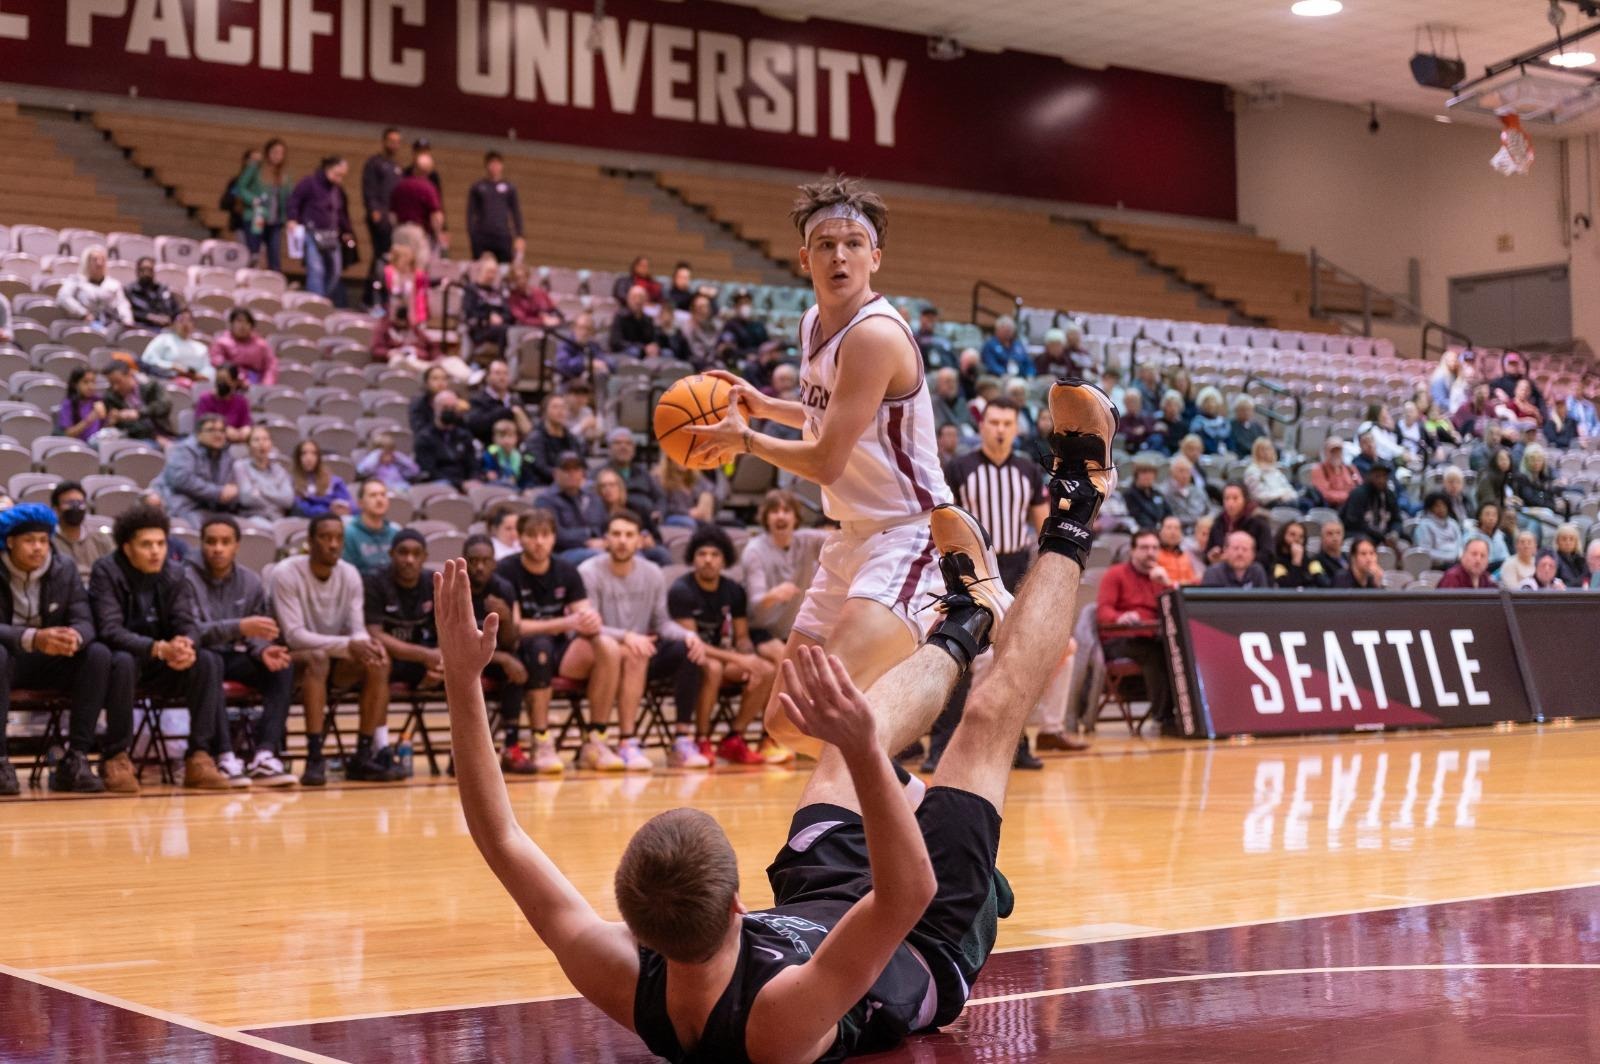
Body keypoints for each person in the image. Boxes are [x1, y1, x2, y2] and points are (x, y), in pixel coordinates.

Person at [431, 378, 1110, 1060]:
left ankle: (966, 620)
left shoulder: (618, 972)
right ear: (735, 909)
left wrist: (464, 682)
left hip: (817, 894)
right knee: (991, 712)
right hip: (918, 936)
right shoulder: (775, 1021)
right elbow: (908, 893)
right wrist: (863, 749)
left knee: (853, 739)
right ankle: (1079, 500)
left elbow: (502, 840)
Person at [687, 176, 962, 759]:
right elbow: (831, 417)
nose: (840, 255)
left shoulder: (874, 336)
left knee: (830, 711)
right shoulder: (814, 323)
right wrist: (766, 407)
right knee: (788, 723)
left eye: (854, 243)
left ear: (875, 258)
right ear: (805, 257)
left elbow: (826, 460)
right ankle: (906, 810)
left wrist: (747, 440)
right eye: (827, 244)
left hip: (910, 535)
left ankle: (897, 826)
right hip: (851, 541)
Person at [90, 504, 231, 791]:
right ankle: (115, 756)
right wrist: (158, 648)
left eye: (160, 544)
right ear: (127, 548)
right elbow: (109, 630)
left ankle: (199, 756)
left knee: (208, 660)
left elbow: (187, 622)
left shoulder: (174, 573)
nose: (156, 551)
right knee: (122, 661)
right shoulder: (106, 570)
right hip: (124, 663)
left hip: (163, 661)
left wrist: (185, 645)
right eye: (146, 545)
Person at [0, 504, 128, 796]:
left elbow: (85, 620)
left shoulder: (64, 568)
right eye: (29, 541)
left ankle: (76, 758)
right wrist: (32, 637)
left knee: (97, 654)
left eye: (44, 541)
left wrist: (76, 637)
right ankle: (0, 760)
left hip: (51, 659)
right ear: (10, 542)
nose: (38, 548)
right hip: (10, 660)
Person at [266, 514, 399, 786]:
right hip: (292, 661)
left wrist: (367, 645)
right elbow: (293, 636)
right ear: (310, 542)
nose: (333, 544)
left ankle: (363, 755)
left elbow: (357, 628)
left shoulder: (350, 574)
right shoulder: (285, 573)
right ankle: (315, 757)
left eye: (338, 537)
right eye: (326, 537)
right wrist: (349, 645)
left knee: (378, 661)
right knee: (317, 659)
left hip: (335, 657)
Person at [576, 510, 707, 770]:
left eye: (629, 535)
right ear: (606, 539)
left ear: (640, 540)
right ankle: (626, 741)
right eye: (616, 534)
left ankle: (681, 740)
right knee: (634, 651)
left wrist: (689, 634)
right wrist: (627, 637)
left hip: (640, 648)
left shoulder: (653, 573)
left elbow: (661, 623)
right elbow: (589, 625)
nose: (622, 540)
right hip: (597, 648)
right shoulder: (588, 571)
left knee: (687, 650)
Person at [494, 509, 621, 774]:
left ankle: (597, 740)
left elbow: (582, 612)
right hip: (523, 649)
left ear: (553, 538)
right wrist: (564, 623)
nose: (539, 542)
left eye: (545, 535)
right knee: (539, 647)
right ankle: (541, 740)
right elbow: (516, 628)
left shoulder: (566, 570)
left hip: (563, 651)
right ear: (520, 538)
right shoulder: (507, 569)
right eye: (532, 535)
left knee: (607, 646)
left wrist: (590, 621)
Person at [184, 516, 296, 786]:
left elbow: (258, 632)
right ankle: (225, 756)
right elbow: (194, 631)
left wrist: (262, 652)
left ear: (237, 546)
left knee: (282, 666)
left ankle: (266, 754)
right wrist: (240, 627)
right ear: (201, 545)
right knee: (212, 664)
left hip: (234, 654)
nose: (218, 548)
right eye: (211, 542)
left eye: (225, 542)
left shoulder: (251, 581)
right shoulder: (185, 577)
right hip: (197, 658)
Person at [667, 525, 780, 767]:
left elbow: (741, 637)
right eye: (702, 554)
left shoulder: (733, 590)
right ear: (693, 558)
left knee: (766, 670)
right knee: (714, 667)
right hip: (692, 656)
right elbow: (692, 641)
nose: (708, 560)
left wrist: (748, 657)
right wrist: (741, 660)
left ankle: (734, 738)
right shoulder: (681, 590)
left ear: (724, 559)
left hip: (724, 655)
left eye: (714, 555)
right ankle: (701, 739)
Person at [457, 534, 536, 773]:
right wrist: (503, 658)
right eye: (473, 560)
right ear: (464, 561)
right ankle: (464, 754)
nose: (479, 567)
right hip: (458, 658)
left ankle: (511, 746)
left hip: (491, 656)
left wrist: (507, 618)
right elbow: (455, 642)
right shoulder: (456, 589)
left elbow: (510, 643)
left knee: (516, 669)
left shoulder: (503, 588)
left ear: (494, 563)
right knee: (499, 665)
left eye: (485, 560)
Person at [1096, 528, 1174, 729]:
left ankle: (1181, 714)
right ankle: (1162, 718)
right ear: (1132, 551)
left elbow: (1176, 609)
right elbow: (1102, 611)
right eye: (1144, 547)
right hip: (1120, 639)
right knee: (1155, 652)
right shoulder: (1115, 574)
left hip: (1152, 635)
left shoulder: (1160, 576)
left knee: (1175, 650)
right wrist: (1121, 617)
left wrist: (1167, 584)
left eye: (1155, 548)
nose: (1150, 552)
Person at [365, 530, 445, 697]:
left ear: (425, 557)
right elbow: (374, 634)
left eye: (416, 554)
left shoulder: (434, 582)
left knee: (456, 666)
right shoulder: (374, 582)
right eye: (403, 552)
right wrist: (426, 655)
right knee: (376, 660)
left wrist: (442, 661)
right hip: (388, 657)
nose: (410, 560)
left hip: (420, 658)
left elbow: (446, 630)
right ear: (391, 554)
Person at [286, 154, 354, 306]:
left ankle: (323, 298)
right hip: (312, 232)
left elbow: (341, 212)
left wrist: (346, 231)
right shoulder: (309, 183)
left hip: (332, 235)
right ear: (329, 169)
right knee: (316, 269)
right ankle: (316, 302)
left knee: (335, 270)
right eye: (338, 174)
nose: (339, 179)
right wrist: (292, 219)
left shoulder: (336, 190)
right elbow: (294, 200)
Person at [156, 415, 240, 528]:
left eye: (222, 430)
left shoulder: (226, 455)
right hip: (185, 505)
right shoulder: (184, 450)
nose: (218, 434)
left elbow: (230, 486)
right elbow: (181, 480)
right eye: (211, 430)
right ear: (198, 434)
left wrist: (230, 494)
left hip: (214, 508)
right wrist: (218, 493)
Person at [537, 453, 610, 565]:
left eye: (576, 469)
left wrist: (607, 541)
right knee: (600, 557)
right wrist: (587, 539)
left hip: (599, 547)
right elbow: (555, 535)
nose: (572, 473)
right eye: (566, 469)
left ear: (582, 473)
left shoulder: (593, 497)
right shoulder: (545, 500)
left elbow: (607, 526)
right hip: (562, 554)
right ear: (555, 473)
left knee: (634, 554)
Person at [360, 127, 405, 308]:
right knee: (380, 257)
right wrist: (374, 211)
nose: (394, 145)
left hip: (393, 219)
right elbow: (369, 189)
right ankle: (370, 298)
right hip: (379, 218)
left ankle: (381, 297)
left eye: (397, 142)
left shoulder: (397, 168)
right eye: (391, 141)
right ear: (384, 141)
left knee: (388, 259)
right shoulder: (374, 163)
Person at [237, 138, 292, 271]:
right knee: (254, 252)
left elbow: (288, 197)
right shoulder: (256, 168)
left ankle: (274, 284)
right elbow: (241, 187)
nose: (277, 156)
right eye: (275, 152)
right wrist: (253, 199)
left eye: (281, 153)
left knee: (274, 255)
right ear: (268, 153)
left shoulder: (284, 175)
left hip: (276, 220)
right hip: (258, 215)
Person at [416, 389, 481, 490]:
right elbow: (430, 471)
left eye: (453, 408)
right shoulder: (424, 438)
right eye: (445, 407)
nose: (449, 411)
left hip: (466, 483)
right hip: (440, 484)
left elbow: (473, 464)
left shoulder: (464, 435)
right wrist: (459, 484)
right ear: (435, 407)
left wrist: (474, 479)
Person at [466, 152, 525, 263]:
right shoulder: (478, 187)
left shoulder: (509, 188)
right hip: (482, 236)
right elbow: (470, 213)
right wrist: (472, 234)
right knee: (481, 268)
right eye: (491, 163)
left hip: (502, 237)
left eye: (497, 163)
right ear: (487, 165)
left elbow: (516, 212)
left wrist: (520, 235)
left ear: (502, 165)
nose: (494, 166)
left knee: (504, 269)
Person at [48, 481, 112, 583]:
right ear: (56, 510)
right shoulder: (48, 541)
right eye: (70, 503)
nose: (76, 507)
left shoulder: (101, 539)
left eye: (80, 503)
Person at [57, 246, 133, 330]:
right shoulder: (75, 280)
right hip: (82, 324)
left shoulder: (114, 284)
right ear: (87, 262)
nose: (99, 263)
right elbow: (63, 297)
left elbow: (122, 304)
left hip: (110, 325)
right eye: (95, 260)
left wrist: (127, 320)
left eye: (102, 260)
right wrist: (82, 313)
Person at [235, 424, 295, 526]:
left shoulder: (279, 470)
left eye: (265, 439)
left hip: (278, 518)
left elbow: (288, 500)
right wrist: (276, 494)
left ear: (271, 444)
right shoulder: (240, 466)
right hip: (253, 518)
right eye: (256, 440)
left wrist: (260, 491)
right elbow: (247, 498)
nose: (261, 444)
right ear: (248, 445)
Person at [1205, 482, 1274, 566]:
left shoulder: (1259, 523)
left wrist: (1237, 558)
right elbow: (1207, 554)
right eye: (1227, 498)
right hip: (1222, 572)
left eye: (1235, 498)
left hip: (1252, 573)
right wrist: (1212, 556)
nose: (1230, 503)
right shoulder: (1218, 523)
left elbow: (1268, 556)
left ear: (1245, 500)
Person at [342, 477, 399, 577]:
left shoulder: (395, 532)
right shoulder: (349, 533)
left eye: (383, 495)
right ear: (360, 503)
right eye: (373, 495)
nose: (379, 499)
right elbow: (348, 573)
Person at [141, 308, 214, 384]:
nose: (185, 324)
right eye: (181, 320)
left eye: (189, 320)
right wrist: (171, 366)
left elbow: (209, 369)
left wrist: (201, 375)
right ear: (173, 323)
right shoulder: (163, 339)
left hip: (194, 383)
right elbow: (148, 359)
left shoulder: (201, 348)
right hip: (167, 380)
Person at [521, 393, 581, 488]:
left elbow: (581, 463)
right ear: (544, 412)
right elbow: (540, 468)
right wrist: (566, 477)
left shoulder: (571, 438)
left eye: (563, 407)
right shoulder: (535, 438)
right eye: (555, 407)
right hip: (541, 485)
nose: (560, 411)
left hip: (569, 484)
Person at [389, 150, 446, 249]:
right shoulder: (428, 187)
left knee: (399, 263)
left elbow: (392, 215)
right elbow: (436, 216)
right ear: (428, 170)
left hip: (399, 231)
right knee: (419, 264)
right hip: (418, 232)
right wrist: (438, 233)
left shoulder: (400, 185)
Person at [466, 358, 531, 444]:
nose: (502, 377)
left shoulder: (515, 399)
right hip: (487, 447)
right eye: (497, 373)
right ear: (488, 377)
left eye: (505, 373)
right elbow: (476, 425)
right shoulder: (478, 399)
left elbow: (528, 428)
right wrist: (509, 411)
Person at [1340, 461, 1403, 548]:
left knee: (1404, 542)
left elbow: (1397, 520)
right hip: (1359, 533)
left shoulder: (1389, 495)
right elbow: (1354, 523)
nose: (1381, 480)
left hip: (1384, 535)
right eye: (1377, 476)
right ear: (1369, 476)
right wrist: (1381, 537)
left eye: (1384, 476)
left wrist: (1394, 533)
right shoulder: (1358, 494)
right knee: (1365, 542)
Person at [209, 307, 277, 386]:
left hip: (257, 383)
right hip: (230, 384)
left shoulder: (261, 345)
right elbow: (219, 363)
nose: (242, 326)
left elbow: (271, 366)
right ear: (231, 324)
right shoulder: (221, 343)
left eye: (247, 322)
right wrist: (238, 380)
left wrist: (266, 384)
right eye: (239, 321)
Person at [462, 255, 512, 356]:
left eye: (494, 272)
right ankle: (500, 362)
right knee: (504, 331)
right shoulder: (471, 290)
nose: (492, 275)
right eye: (489, 271)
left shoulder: (498, 292)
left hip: (499, 327)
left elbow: (508, 312)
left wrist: (501, 318)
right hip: (480, 329)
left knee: (513, 331)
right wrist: (488, 317)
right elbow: (469, 312)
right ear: (480, 270)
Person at [290, 439, 353, 519]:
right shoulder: (291, 481)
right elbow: (299, 507)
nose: (309, 458)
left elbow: (347, 503)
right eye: (304, 454)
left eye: (314, 454)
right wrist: (327, 510)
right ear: (298, 458)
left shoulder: (333, 481)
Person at [193, 364, 250, 442]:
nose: (220, 383)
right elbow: (201, 425)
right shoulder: (205, 399)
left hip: (235, 443)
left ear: (234, 382)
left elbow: (246, 424)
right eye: (218, 380)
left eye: (224, 380)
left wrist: (244, 432)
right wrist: (224, 430)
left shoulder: (241, 401)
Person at [355, 430, 420, 494]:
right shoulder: (373, 466)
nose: (389, 456)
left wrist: (398, 456)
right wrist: (376, 455)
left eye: (391, 453)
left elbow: (414, 470)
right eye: (386, 453)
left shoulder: (396, 465)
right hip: (383, 492)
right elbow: (362, 470)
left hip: (402, 490)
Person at [1201, 530, 1271, 588]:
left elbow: (1263, 602)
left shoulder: (1257, 571)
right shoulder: (1214, 573)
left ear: (1253, 554)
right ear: (1225, 550)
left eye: (1245, 549)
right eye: (1235, 548)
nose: (1240, 553)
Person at [554, 310, 610, 383]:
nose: (584, 332)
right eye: (581, 328)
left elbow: (605, 361)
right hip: (569, 384)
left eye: (588, 329)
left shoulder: (593, 345)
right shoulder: (565, 344)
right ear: (574, 328)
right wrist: (587, 363)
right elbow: (563, 366)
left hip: (590, 384)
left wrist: (602, 364)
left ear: (592, 332)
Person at [126, 256, 181, 328]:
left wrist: (168, 318)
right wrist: (148, 317)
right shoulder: (130, 291)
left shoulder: (162, 290)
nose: (146, 273)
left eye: (150, 270)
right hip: (142, 328)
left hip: (164, 328)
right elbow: (127, 313)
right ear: (137, 272)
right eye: (143, 270)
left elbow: (175, 310)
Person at [1413, 491, 1464, 569]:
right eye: (1437, 506)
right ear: (1430, 508)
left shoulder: (1453, 523)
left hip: (1456, 560)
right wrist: (1450, 557)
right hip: (1437, 565)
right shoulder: (1424, 526)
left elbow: (1460, 544)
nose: (1441, 509)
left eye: (1444, 505)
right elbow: (1426, 552)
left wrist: (1459, 556)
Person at [1120, 455, 1172, 531]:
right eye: (1144, 472)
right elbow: (1139, 518)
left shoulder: (1157, 494)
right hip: (1143, 532)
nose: (1148, 476)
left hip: (1163, 531)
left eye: (1151, 473)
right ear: (1136, 475)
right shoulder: (1129, 495)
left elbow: (1168, 514)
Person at [607, 284, 660, 360]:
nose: (637, 301)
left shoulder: (648, 319)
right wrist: (642, 348)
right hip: (626, 352)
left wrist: (654, 346)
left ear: (645, 300)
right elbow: (615, 342)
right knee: (634, 351)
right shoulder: (620, 317)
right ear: (628, 299)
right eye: (634, 297)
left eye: (641, 298)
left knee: (667, 353)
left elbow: (653, 339)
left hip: (646, 352)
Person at [1243, 437, 1297, 510]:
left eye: (1269, 448)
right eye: (1263, 449)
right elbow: (1259, 496)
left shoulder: (1275, 470)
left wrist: (1292, 495)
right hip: (1268, 504)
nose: (1267, 452)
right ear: (1257, 452)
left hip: (1284, 500)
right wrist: (1280, 495)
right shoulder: (1252, 471)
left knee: (1304, 502)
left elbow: (1287, 486)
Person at [1271, 521, 1329, 589]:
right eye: (1292, 535)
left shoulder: (1312, 562)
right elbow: (1288, 589)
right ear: (1282, 536)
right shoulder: (1277, 564)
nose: (1297, 539)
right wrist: (1296, 562)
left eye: (1301, 536)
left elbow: (1325, 585)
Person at [56, 367, 105, 443]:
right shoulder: (68, 404)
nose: (90, 386)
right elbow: (68, 434)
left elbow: (102, 430)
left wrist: (112, 419)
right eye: (85, 382)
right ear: (75, 384)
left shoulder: (98, 401)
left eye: (93, 382)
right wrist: (89, 420)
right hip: (78, 446)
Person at [718, 289, 770, 361]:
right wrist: (745, 355)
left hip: (760, 360)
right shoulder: (730, 326)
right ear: (735, 307)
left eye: (747, 302)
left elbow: (767, 345)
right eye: (741, 303)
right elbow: (727, 349)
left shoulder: (759, 325)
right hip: (740, 361)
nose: (744, 306)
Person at [1161, 454, 1209, 528]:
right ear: (1172, 473)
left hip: (1201, 528)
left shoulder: (1198, 490)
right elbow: (1169, 517)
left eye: (1187, 471)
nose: (1185, 475)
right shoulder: (1165, 492)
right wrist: (1196, 520)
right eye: (1181, 471)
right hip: (1179, 528)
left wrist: (1206, 520)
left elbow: (1209, 509)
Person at [482, 419, 534, 488]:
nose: (506, 441)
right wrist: (487, 473)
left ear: (516, 438)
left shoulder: (523, 457)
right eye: (502, 436)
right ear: (494, 438)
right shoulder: (490, 454)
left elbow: (528, 479)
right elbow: (484, 471)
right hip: (496, 487)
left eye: (510, 436)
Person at [1466, 502, 1511, 571]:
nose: (1491, 518)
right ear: (1480, 516)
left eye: (1494, 515)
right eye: (1487, 514)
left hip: (1500, 571)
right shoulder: (1471, 536)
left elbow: (1506, 558)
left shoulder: (1500, 535)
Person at [1155, 515, 1199, 586]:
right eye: (1169, 528)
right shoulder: (1154, 555)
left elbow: (1192, 580)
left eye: (1177, 528)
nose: (1173, 532)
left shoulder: (1185, 555)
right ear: (1160, 532)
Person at [683, 293, 722, 369]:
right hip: (694, 363)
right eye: (700, 307)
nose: (703, 310)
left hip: (713, 362)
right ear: (693, 309)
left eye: (706, 306)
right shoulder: (688, 327)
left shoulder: (715, 326)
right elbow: (693, 351)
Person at [1189, 387, 1230, 454]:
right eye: (1206, 402)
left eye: (1213, 401)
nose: (1210, 404)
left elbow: (1229, 442)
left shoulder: (1223, 423)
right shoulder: (1197, 423)